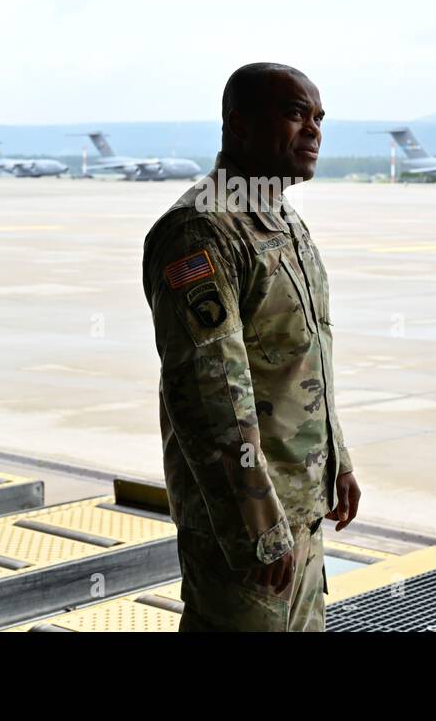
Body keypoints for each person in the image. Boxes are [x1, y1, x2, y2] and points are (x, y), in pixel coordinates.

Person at [142, 62, 360, 631]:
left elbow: (302, 361)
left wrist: (338, 462)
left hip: (302, 509)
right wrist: (257, 523)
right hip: (246, 522)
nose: (313, 130)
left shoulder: (281, 220)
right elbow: (211, 393)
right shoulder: (203, 230)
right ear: (238, 125)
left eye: (318, 118)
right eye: (294, 114)